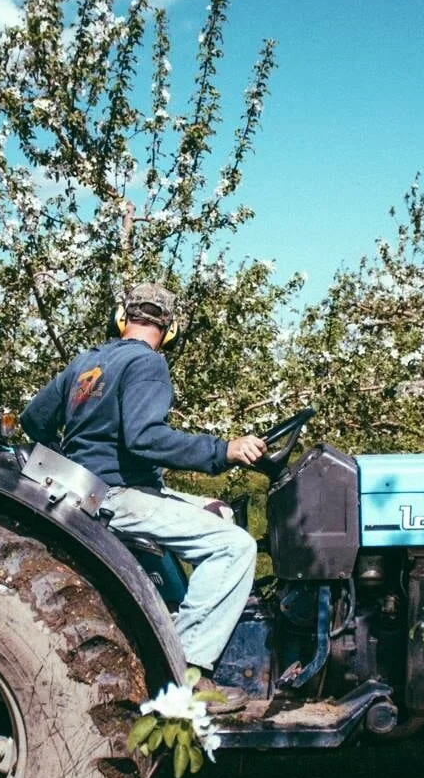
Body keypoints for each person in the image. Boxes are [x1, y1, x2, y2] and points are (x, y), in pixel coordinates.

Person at [20, 283, 266, 712]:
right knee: (236, 547)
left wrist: (74, 464)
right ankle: (186, 672)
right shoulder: (147, 363)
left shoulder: (86, 363)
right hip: (119, 495)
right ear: (169, 330)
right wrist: (221, 450)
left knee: (222, 514)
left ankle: (179, 619)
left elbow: (33, 420)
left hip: (90, 491)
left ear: (122, 318)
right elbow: (145, 438)